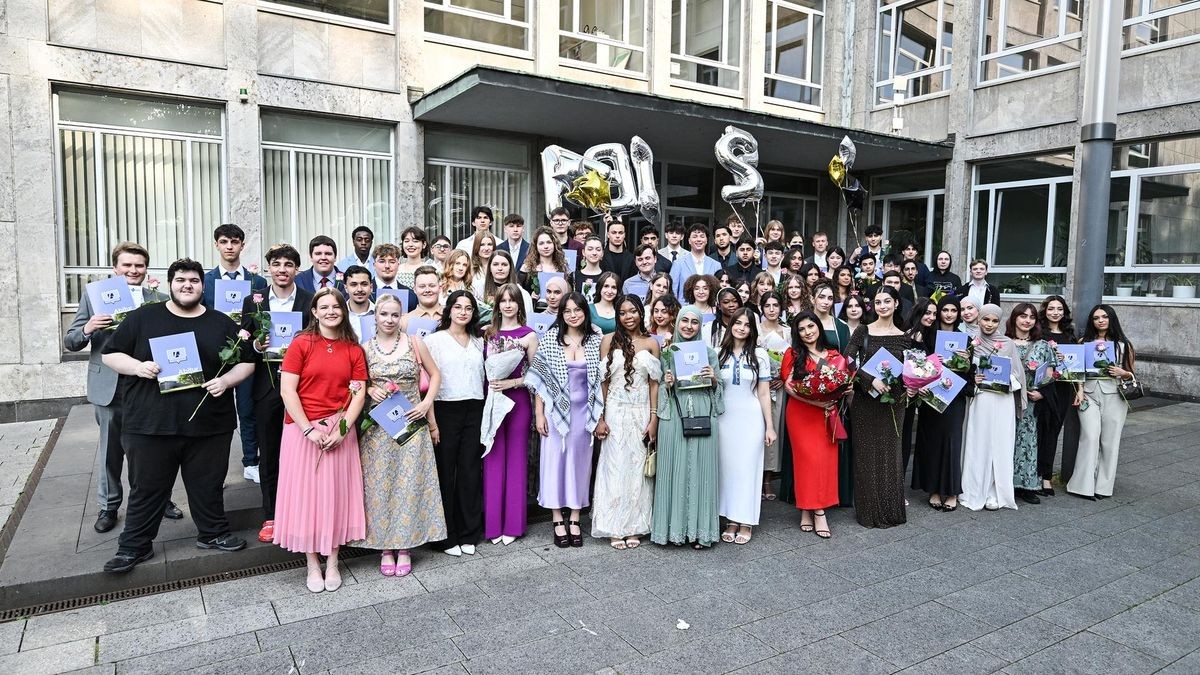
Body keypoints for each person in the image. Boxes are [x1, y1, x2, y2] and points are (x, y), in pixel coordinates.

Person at [100, 258, 254, 573]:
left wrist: (226, 380)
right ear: (170, 284)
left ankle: (213, 533)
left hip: (209, 423)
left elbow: (248, 361)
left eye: (194, 281)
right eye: (181, 280)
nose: (187, 285)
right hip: (151, 423)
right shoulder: (143, 317)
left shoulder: (221, 322)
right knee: (147, 487)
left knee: (208, 484)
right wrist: (138, 367)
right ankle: (134, 547)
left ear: (202, 285)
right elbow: (110, 354)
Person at [65, 242, 181, 534]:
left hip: (148, 385)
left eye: (139, 265)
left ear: (146, 268)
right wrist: (89, 327)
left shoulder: (160, 298)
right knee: (110, 451)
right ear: (115, 268)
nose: (133, 270)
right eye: (127, 265)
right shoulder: (95, 297)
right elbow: (72, 341)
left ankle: (160, 499)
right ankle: (109, 506)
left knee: (154, 450)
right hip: (110, 385)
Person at [274, 287, 368, 591]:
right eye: (323, 307)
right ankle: (312, 563)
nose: (330, 311)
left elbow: (358, 393)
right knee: (308, 498)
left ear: (344, 311)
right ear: (314, 312)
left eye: (336, 307)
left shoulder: (354, 349)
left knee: (335, 496)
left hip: (340, 430)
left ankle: (333, 561)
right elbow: (288, 390)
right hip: (302, 432)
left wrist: (341, 431)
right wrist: (308, 429)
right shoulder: (301, 344)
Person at [357, 293, 445, 577]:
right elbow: (357, 382)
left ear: (401, 317)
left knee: (409, 485)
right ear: (375, 317)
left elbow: (436, 375)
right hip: (377, 429)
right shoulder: (365, 348)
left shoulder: (415, 343)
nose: (389, 320)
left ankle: (405, 546)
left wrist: (425, 404)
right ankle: (384, 546)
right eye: (384, 314)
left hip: (410, 424)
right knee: (381, 487)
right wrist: (370, 389)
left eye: (395, 314)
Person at [239, 243, 313, 543]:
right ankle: (271, 514)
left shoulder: (310, 300)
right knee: (269, 451)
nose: (282, 269)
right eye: (277, 264)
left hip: (303, 386)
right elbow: (243, 343)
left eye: (288, 264)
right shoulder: (253, 301)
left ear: (297, 269)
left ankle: (303, 510)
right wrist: (257, 346)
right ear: (269, 268)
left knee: (303, 450)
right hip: (267, 386)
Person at [527, 292, 604, 548]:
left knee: (579, 465)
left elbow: (601, 381)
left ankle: (574, 516)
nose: (573, 315)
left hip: (584, 413)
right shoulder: (551, 339)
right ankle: (557, 517)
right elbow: (540, 380)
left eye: (577, 309)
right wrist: (539, 414)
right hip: (555, 411)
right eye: (567, 310)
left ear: (585, 311)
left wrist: (600, 415)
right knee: (554, 463)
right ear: (561, 314)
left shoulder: (595, 339)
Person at [592, 295, 661, 549]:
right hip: (615, 412)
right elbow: (603, 383)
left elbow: (655, 385)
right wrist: (600, 417)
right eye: (622, 313)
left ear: (641, 313)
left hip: (641, 411)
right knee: (613, 467)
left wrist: (654, 419)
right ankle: (613, 525)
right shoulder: (608, 341)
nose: (628, 316)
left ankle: (634, 526)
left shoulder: (652, 342)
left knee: (637, 470)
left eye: (633, 311)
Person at [652, 306, 723, 549]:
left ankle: (700, 532)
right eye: (685, 321)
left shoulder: (710, 353)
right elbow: (656, 389)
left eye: (694, 322)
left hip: (703, 411)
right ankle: (673, 531)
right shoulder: (666, 353)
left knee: (702, 470)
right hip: (674, 412)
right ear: (677, 322)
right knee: (674, 468)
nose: (689, 326)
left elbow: (720, 391)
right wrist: (667, 383)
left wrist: (713, 378)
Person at [844, 286, 913, 528]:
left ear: (896, 304)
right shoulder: (863, 330)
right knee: (866, 455)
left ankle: (891, 509)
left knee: (891, 453)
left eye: (887, 301)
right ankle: (869, 511)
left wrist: (912, 385)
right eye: (878, 302)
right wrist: (868, 379)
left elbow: (910, 370)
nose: (882, 306)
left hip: (894, 403)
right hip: (866, 401)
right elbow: (848, 360)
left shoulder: (905, 336)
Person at [424, 291, 486, 556]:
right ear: (448, 310)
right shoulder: (434, 341)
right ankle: (445, 536)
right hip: (445, 409)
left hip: (475, 408)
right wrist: (432, 422)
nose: (463, 312)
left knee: (470, 472)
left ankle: (470, 531)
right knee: (445, 473)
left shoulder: (479, 341)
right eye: (458, 307)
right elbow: (426, 384)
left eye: (468, 308)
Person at [480, 284, 538, 545]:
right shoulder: (487, 334)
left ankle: (513, 525)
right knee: (492, 458)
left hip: (517, 400)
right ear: (497, 305)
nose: (507, 305)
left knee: (515, 460)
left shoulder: (529, 335)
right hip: (491, 399)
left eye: (512, 301)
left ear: (519, 305)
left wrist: (512, 384)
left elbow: (536, 375)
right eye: (502, 301)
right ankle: (493, 525)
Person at [784, 311, 849, 539]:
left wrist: (845, 388)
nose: (807, 332)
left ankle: (808, 508)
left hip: (827, 414)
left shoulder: (833, 355)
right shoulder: (793, 354)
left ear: (818, 327)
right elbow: (789, 387)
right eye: (801, 329)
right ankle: (816, 510)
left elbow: (840, 382)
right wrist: (816, 403)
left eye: (810, 327)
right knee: (806, 462)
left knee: (824, 462)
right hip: (801, 414)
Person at [716, 308, 775, 545]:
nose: (741, 328)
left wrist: (770, 426)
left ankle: (746, 520)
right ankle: (731, 519)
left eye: (747, 324)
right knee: (728, 469)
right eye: (737, 323)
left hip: (750, 418)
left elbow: (763, 392)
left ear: (753, 329)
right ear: (730, 325)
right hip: (724, 418)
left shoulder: (759, 355)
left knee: (748, 469)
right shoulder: (719, 353)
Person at [961, 304, 1026, 512]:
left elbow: (1018, 376)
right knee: (978, 443)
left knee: (1000, 444)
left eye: (994, 321)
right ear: (978, 319)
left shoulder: (1007, 344)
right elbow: (964, 373)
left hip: (1002, 400)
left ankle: (995, 492)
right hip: (980, 400)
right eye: (985, 319)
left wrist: (1003, 377)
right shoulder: (971, 344)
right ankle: (974, 489)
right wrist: (974, 378)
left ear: (999, 322)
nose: (989, 324)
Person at [1068, 304, 1136, 500]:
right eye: (1096, 317)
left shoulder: (1124, 344)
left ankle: (1103, 487)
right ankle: (1082, 486)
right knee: (1089, 437)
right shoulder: (1084, 342)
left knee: (1110, 442)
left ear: (1111, 318)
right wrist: (1079, 391)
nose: (1100, 320)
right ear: (1092, 321)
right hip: (1088, 394)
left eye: (1104, 317)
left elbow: (1132, 373)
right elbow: (1077, 370)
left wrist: (1124, 373)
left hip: (1115, 395)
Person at [912, 296, 966, 512]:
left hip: (954, 397)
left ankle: (952, 491)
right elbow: (916, 366)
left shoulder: (965, 339)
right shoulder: (925, 336)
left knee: (952, 442)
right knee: (932, 442)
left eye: (954, 310)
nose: (949, 314)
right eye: (945, 310)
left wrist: (963, 361)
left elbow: (970, 373)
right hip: (930, 398)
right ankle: (934, 489)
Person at [1007, 303, 1056, 505]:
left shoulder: (1042, 345)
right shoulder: (1004, 342)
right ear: (1014, 318)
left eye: (1032, 317)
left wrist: (1041, 392)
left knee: (1027, 441)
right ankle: (1005, 482)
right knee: (1006, 439)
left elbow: (1051, 374)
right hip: (1007, 398)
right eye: (1023, 316)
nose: (1027, 320)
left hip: (1030, 401)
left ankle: (1026, 485)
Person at [1036, 295, 1076, 496]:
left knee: (1053, 432)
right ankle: (1034, 473)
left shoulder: (1070, 336)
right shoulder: (1039, 334)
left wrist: (1080, 390)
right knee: (1039, 431)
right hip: (1043, 387)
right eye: (1051, 308)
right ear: (1045, 311)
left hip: (1063, 389)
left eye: (1059, 309)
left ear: (1064, 312)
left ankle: (1046, 477)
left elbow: (1077, 366)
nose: (1055, 312)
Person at [756, 293, 789, 501]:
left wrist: (783, 377)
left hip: (778, 386)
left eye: (775, 305)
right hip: (758, 386)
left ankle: (768, 478)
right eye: (767, 305)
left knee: (774, 431)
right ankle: (755, 477)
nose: (771, 309)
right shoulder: (756, 330)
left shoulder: (787, 332)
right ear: (761, 308)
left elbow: (792, 359)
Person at [900, 298, 936, 477]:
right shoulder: (907, 335)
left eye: (934, 314)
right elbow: (904, 366)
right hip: (905, 394)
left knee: (906, 439)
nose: (931, 317)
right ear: (918, 313)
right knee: (902, 439)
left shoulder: (929, 335)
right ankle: (895, 485)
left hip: (916, 394)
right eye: (928, 313)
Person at [670, 224, 723, 297]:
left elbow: (719, 293)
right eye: (695, 236)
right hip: (685, 307)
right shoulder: (678, 264)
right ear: (689, 240)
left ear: (707, 240)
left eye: (702, 236)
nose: (698, 239)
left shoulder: (716, 265)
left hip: (709, 307)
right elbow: (673, 291)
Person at [521, 226, 572, 304]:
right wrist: (529, 296)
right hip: (534, 312)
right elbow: (518, 292)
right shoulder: (527, 267)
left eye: (549, 242)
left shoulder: (563, 267)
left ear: (554, 244)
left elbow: (569, 293)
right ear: (536, 246)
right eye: (541, 243)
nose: (546, 246)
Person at [481, 250, 534, 319]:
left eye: (504, 264)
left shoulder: (522, 293)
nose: (500, 268)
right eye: (495, 264)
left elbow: (527, 320)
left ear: (510, 268)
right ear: (490, 268)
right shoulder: (480, 290)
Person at [401, 265, 445, 330]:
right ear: (414, 289)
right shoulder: (405, 321)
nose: (427, 290)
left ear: (440, 288)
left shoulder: (452, 316)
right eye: (422, 286)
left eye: (432, 286)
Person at [811, 280, 850, 352]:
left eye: (830, 298)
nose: (826, 302)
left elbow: (845, 356)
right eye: (821, 297)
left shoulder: (841, 325)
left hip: (835, 363)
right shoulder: (803, 322)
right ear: (813, 299)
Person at [343, 266, 375, 341]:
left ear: (371, 287)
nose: (359, 289)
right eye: (354, 285)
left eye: (364, 284)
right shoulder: (339, 315)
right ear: (346, 288)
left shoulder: (381, 314)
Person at [601, 217, 635, 282]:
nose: (617, 236)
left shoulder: (631, 258)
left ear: (624, 235)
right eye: (614, 233)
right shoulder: (601, 257)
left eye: (620, 233)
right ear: (608, 235)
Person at [469, 231, 498, 296]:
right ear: (476, 247)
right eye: (482, 245)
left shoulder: (500, 266)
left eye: (490, 244)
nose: (486, 248)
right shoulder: (470, 267)